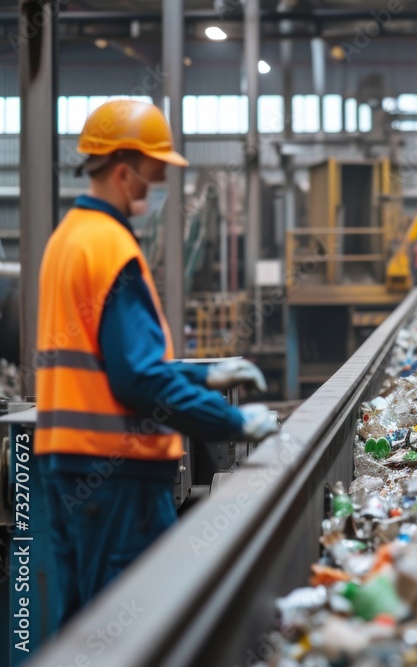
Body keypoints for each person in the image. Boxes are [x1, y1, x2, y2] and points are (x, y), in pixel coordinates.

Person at [35, 99, 281, 627]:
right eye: (153, 174)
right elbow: (138, 378)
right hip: (118, 477)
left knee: (80, 630)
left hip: (67, 467)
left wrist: (203, 375)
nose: (157, 185)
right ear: (124, 173)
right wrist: (233, 421)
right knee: (134, 629)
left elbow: (108, 361)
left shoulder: (67, 240)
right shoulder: (111, 247)